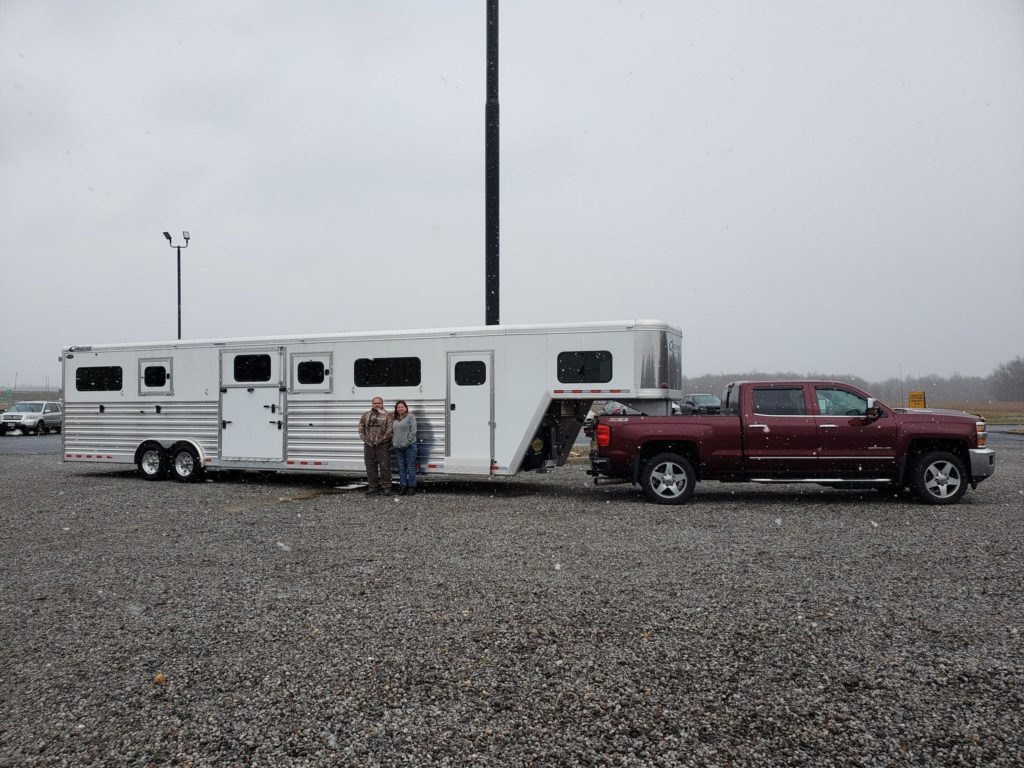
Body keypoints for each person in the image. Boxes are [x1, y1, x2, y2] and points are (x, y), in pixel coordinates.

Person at [358, 396, 393, 495]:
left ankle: (387, 487)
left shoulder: (388, 415)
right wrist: (367, 441)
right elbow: (361, 430)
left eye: (379, 403)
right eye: (375, 403)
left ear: (382, 404)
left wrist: (380, 441)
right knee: (370, 467)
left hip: (383, 446)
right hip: (369, 446)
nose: (377, 405)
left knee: (385, 467)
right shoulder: (366, 415)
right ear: (372, 404)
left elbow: (390, 431)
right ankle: (373, 487)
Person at [392, 400, 418, 496]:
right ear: (396, 409)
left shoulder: (410, 416)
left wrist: (408, 441)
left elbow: (413, 429)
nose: (400, 408)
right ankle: (403, 485)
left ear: (406, 408)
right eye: (398, 407)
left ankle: (411, 486)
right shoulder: (394, 418)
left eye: (402, 407)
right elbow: (392, 432)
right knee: (401, 467)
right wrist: (394, 442)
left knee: (410, 467)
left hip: (410, 446)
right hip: (398, 447)